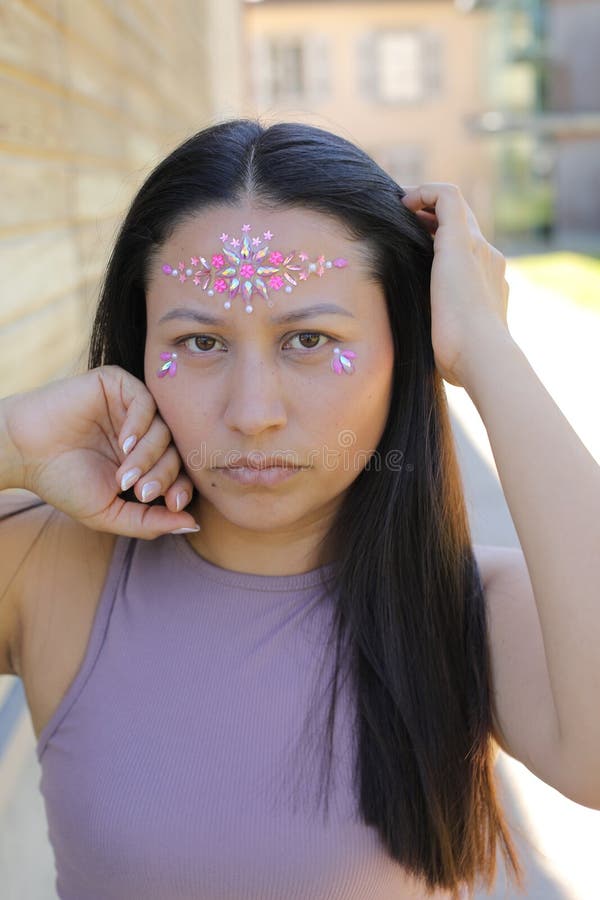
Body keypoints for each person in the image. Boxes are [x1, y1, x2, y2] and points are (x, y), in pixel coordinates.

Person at [1, 118, 599, 900]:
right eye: (202, 344)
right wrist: (10, 441)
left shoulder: (470, 613)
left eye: (310, 340)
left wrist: (487, 348)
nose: (253, 413)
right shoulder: (51, 571)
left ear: (407, 346)